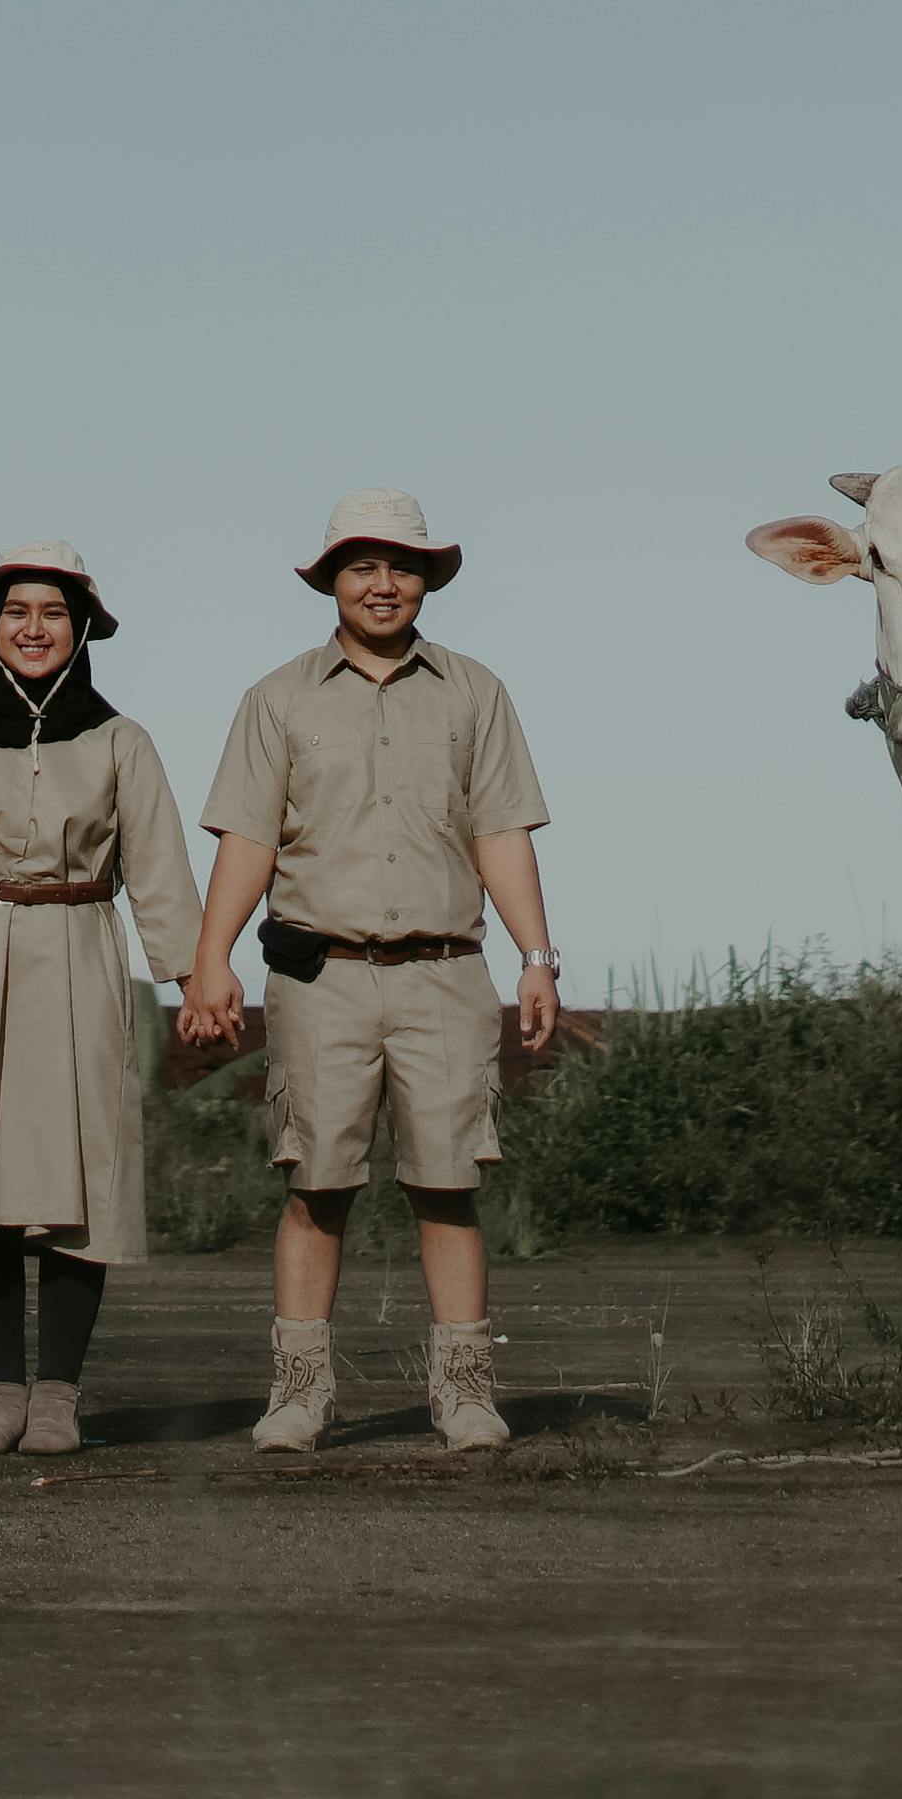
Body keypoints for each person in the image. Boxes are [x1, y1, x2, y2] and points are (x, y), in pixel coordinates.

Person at [178, 488, 560, 1453]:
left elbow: (501, 831)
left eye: (401, 566)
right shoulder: (278, 697)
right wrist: (210, 959)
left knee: (448, 1184)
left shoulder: (475, 691)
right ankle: (299, 1395)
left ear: (427, 579)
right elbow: (248, 839)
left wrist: (537, 958)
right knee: (316, 1185)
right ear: (331, 581)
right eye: (362, 566)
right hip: (322, 980)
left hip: (446, 972)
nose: (382, 584)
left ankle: (464, 1394)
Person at [0, 547, 202, 1459]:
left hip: (77, 955)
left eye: (52, 612)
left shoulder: (119, 740)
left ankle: (58, 1397)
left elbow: (159, 869)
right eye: (16, 611)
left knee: (78, 1178)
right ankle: (0, 1395)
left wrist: (195, 986)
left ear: (82, 626)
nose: (33, 627)